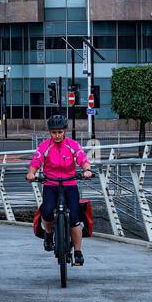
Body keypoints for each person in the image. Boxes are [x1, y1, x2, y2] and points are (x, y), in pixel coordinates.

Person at [26, 114, 92, 266]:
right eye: (54, 132)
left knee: (75, 217)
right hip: (50, 184)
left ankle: (78, 252)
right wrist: (31, 173)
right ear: (50, 132)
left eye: (60, 132)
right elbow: (36, 160)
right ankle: (49, 235)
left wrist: (87, 169)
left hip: (70, 184)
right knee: (47, 211)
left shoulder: (72, 145)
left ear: (64, 131)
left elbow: (82, 158)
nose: (57, 135)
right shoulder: (44, 146)